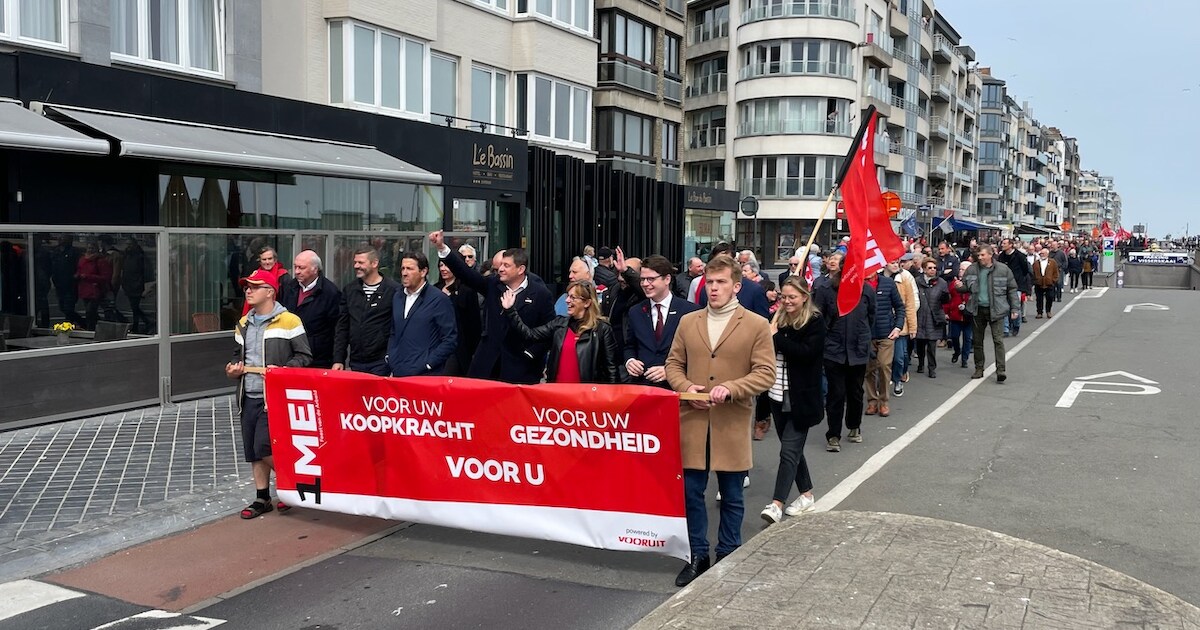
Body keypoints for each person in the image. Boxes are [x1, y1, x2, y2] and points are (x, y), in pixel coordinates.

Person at [665, 254, 775, 587]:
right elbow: (673, 365)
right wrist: (687, 388)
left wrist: (732, 387)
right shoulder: (689, 321)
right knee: (691, 494)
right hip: (694, 420)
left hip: (730, 420)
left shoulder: (756, 324)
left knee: (732, 495)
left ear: (736, 286)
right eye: (710, 283)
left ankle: (729, 553)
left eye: (721, 282)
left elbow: (765, 373)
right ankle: (698, 555)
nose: (713, 288)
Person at [225, 269, 312, 519]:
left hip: (273, 397)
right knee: (253, 450)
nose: (248, 291)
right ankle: (262, 497)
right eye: (246, 287)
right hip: (247, 395)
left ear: (270, 292)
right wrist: (233, 369)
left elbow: (304, 356)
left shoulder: (290, 321)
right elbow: (235, 357)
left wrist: (283, 371)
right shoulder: (242, 324)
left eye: (254, 286)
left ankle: (294, 485)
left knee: (264, 446)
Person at [430, 230, 555, 384]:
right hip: (487, 365)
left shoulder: (541, 294)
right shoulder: (493, 284)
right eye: (500, 265)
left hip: (520, 369)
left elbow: (549, 331)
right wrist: (442, 248)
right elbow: (466, 274)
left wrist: (531, 354)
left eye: (506, 265)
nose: (500, 269)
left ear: (520, 269)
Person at [759, 276, 825, 524]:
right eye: (783, 296)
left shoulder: (815, 322)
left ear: (804, 298)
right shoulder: (777, 319)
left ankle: (777, 504)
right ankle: (806, 495)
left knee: (788, 450)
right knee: (793, 449)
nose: (786, 301)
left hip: (800, 398)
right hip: (776, 395)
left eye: (792, 297)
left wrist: (776, 337)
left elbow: (806, 353)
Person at [502, 279, 620, 383]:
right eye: (567, 296)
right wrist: (511, 311)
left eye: (573, 297)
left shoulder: (602, 329)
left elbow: (611, 369)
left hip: (587, 398)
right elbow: (529, 334)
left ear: (587, 303)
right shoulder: (559, 324)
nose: (567, 301)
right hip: (558, 395)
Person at [812, 268, 874, 451]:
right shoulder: (826, 290)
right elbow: (818, 317)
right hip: (834, 351)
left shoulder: (866, 290)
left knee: (855, 392)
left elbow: (871, 316)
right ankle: (833, 435)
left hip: (858, 350)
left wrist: (863, 337)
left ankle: (854, 426)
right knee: (836, 394)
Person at [624, 255, 699, 388]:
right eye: (642, 279)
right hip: (642, 388)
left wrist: (670, 371)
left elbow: (696, 354)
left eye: (651, 279)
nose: (645, 284)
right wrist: (630, 361)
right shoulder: (635, 311)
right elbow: (629, 346)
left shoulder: (690, 311)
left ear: (667, 279)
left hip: (675, 390)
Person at [387, 251, 458, 377]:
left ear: (423, 272)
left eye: (409, 269)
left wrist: (428, 364)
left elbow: (449, 339)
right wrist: (391, 356)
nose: (404, 273)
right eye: (403, 268)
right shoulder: (397, 296)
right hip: (399, 371)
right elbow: (394, 331)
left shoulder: (438, 299)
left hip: (426, 376)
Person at [332, 247, 400, 376]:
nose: (356, 266)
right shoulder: (350, 290)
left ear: (374, 263)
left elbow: (398, 327)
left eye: (361, 262)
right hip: (356, 361)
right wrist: (338, 359)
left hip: (382, 362)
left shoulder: (393, 291)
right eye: (355, 262)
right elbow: (342, 327)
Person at [960, 245, 1019, 383]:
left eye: (982, 255)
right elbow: (965, 286)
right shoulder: (972, 269)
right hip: (977, 309)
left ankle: (1001, 370)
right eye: (978, 255)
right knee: (978, 341)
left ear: (990, 254)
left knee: (998, 340)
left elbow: (1012, 290)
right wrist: (959, 287)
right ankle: (979, 368)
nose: (980, 257)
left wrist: (1015, 309)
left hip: (997, 310)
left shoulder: (1003, 269)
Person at [279, 250, 342, 369]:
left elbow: (337, 329)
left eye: (301, 268)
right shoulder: (289, 288)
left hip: (318, 360)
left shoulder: (330, 293)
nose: (297, 272)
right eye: (295, 267)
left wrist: (337, 359)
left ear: (315, 269)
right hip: (290, 357)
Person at [865, 269, 903, 417]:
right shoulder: (858, 284)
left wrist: (898, 327)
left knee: (883, 365)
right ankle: (872, 401)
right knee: (868, 369)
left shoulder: (888, 283)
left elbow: (899, 306)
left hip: (886, 332)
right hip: (866, 334)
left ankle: (884, 401)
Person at [436, 259, 482, 376]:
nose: (443, 269)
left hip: (459, 346)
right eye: (441, 265)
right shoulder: (434, 289)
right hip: (435, 344)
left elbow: (474, 323)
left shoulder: (467, 290)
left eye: (447, 265)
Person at [913, 259, 950, 378]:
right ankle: (920, 364)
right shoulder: (917, 281)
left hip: (934, 317)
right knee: (920, 343)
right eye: (930, 268)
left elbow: (946, 301)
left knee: (932, 345)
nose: (933, 270)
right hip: (920, 316)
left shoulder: (941, 282)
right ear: (924, 269)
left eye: (934, 268)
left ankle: (932, 368)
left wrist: (946, 296)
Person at [996, 238, 1031, 337]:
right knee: (1004, 307)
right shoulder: (1001, 256)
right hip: (1003, 284)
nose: (1002, 245)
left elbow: (1025, 270)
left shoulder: (1020, 256)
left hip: (1016, 285)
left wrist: (1019, 280)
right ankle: (1006, 329)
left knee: (1015, 306)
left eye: (1004, 243)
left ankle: (1016, 325)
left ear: (1010, 245)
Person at [242, 246, 290, 316]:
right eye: (264, 259)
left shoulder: (284, 277)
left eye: (270, 259)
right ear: (260, 261)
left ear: (275, 260)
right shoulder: (254, 275)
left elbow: (288, 300)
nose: (267, 262)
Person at [75, 242, 111, 330]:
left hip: (95, 290)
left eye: (92, 248)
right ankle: (95, 327)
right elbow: (79, 270)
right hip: (84, 289)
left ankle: (91, 329)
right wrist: (78, 275)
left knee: (90, 311)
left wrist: (88, 277)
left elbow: (105, 277)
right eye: (89, 248)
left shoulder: (100, 261)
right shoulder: (82, 259)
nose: (90, 250)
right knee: (91, 312)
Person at [945, 261, 973, 369]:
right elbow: (949, 298)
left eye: (963, 269)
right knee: (954, 336)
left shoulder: (974, 282)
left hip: (968, 315)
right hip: (955, 314)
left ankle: (964, 359)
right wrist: (946, 312)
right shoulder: (953, 282)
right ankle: (957, 351)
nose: (961, 271)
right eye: (960, 269)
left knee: (967, 338)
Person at [1032, 248, 1060, 319]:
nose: (1042, 255)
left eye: (1043, 253)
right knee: (1039, 299)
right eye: (1041, 253)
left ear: (1047, 254)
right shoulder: (1036, 263)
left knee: (1050, 297)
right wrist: (1035, 281)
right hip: (1039, 283)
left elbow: (1056, 272)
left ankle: (1048, 311)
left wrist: (1053, 280)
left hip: (1049, 284)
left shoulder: (1052, 262)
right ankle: (1039, 312)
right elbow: (1032, 273)